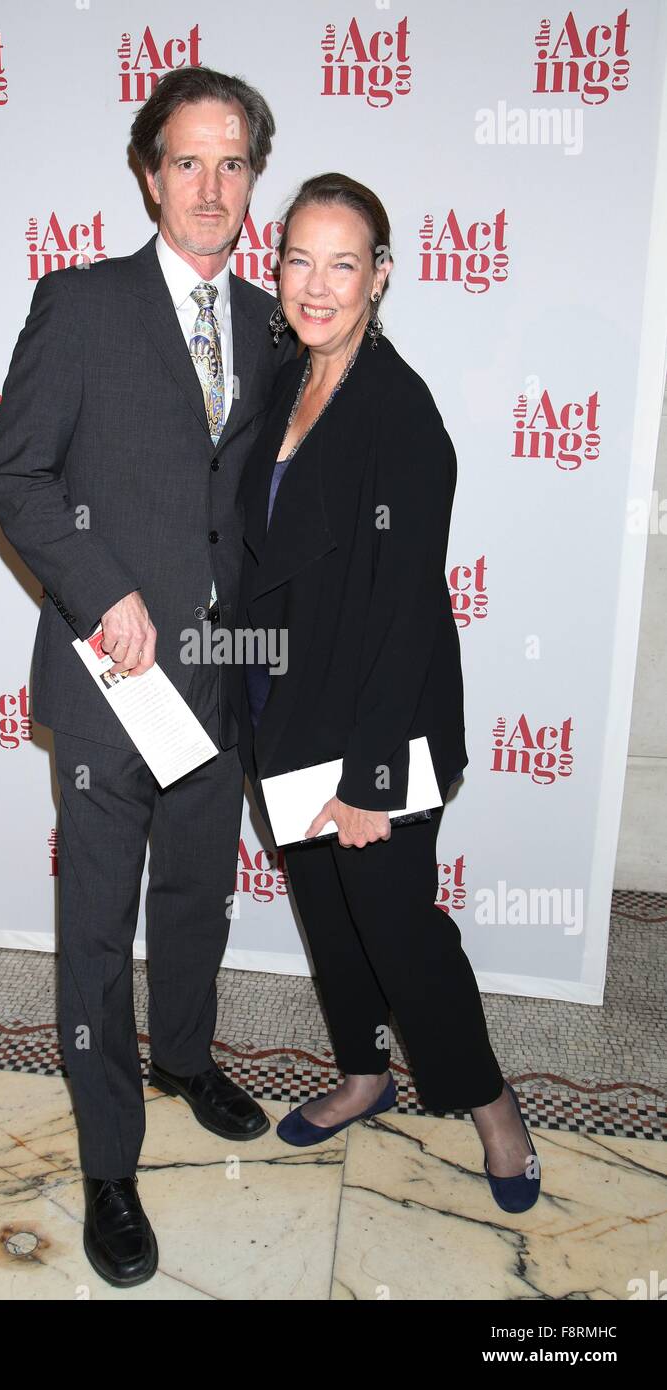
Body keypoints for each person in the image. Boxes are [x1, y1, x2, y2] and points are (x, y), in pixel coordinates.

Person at [0, 67, 297, 1288]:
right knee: (98, 931)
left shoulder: (278, 321)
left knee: (198, 900)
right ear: (147, 172)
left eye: (232, 163)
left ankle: (187, 1058)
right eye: (187, 161)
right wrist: (98, 587)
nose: (210, 186)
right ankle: (108, 1158)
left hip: (221, 678)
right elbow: (15, 479)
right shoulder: (81, 305)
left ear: (252, 180)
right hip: (113, 679)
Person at [226, 173, 540, 1216]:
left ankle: (489, 1102)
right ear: (274, 271)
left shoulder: (399, 414)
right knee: (326, 912)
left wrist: (366, 781)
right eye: (297, 260)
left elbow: (406, 607)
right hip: (284, 708)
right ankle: (363, 1073)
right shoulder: (280, 375)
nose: (316, 285)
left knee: (398, 929)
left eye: (342, 263)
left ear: (381, 276)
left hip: (377, 726)